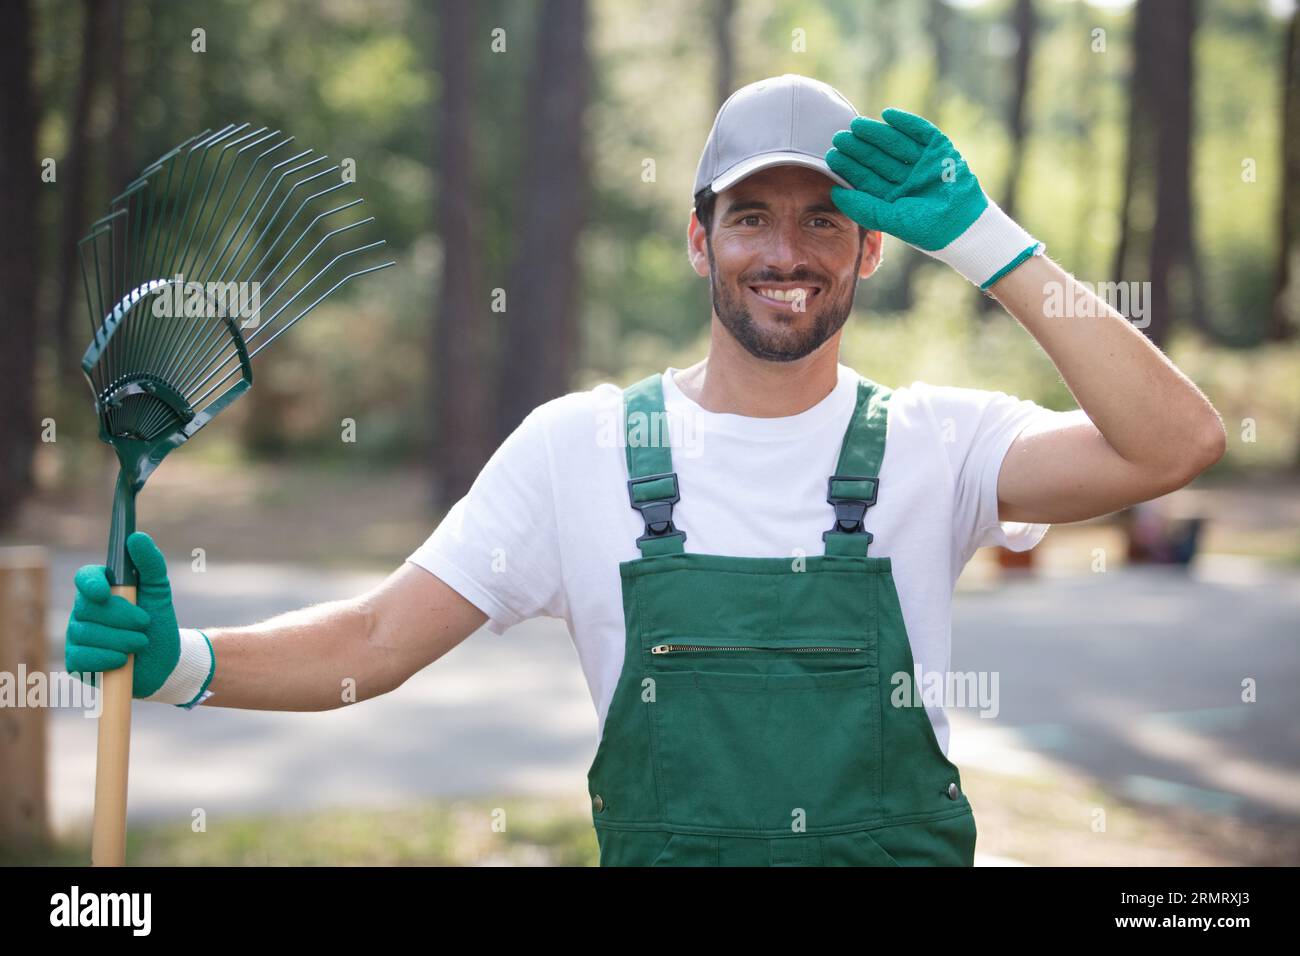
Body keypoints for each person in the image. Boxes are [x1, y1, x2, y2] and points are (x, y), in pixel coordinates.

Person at [65, 74, 1226, 866]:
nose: (786, 253)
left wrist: (985, 241)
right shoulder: (577, 451)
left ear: (873, 246)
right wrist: (182, 664)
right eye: (751, 217)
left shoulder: (945, 441)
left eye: (825, 222)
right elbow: (376, 642)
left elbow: (1173, 443)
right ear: (697, 236)